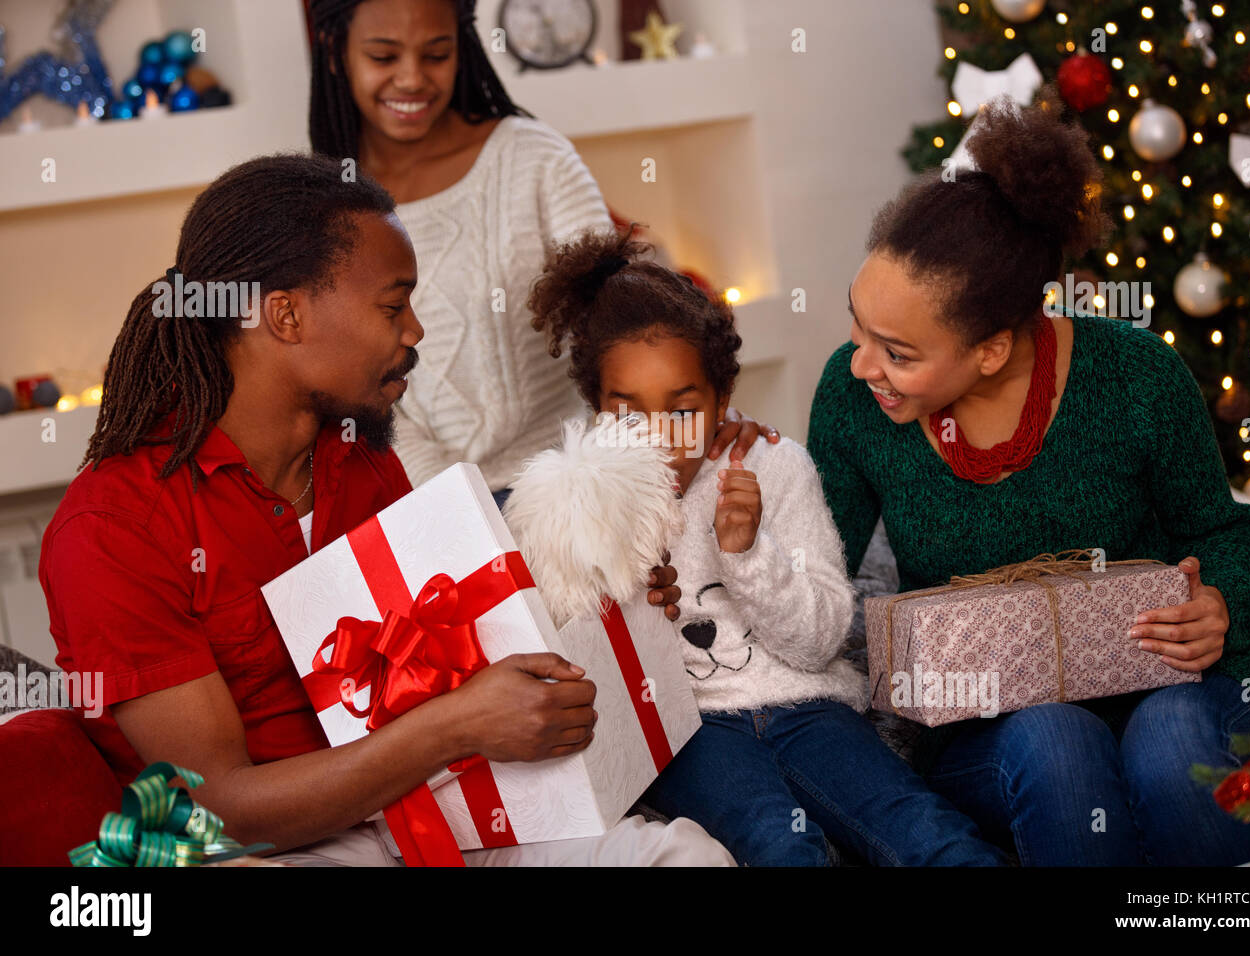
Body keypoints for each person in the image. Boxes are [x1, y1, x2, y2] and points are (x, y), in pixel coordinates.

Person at [38, 154, 733, 867]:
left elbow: (455, 648)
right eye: (393, 306)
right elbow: (221, 808)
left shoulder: (357, 454)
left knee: (682, 857)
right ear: (285, 314)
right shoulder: (113, 529)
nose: (416, 331)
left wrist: (610, 605)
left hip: (428, 800)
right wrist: (452, 728)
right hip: (268, 851)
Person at [806, 93, 1250, 866]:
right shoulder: (851, 398)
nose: (861, 364)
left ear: (990, 350)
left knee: (1171, 744)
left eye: (897, 351)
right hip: (991, 727)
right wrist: (749, 495)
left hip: (1172, 690)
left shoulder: (1138, 378)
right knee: (1057, 743)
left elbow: (1222, 536)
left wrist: (1221, 603)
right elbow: (811, 574)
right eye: (857, 324)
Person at [527, 226, 1007, 866]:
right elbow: (584, 666)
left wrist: (747, 553)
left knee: (928, 834)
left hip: (809, 709)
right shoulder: (571, 501)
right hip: (690, 733)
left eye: (682, 406)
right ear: (595, 407)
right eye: (629, 410)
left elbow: (821, 640)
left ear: (722, 399)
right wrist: (634, 595)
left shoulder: (776, 467)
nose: (660, 436)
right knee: (782, 845)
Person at [307, 0, 775, 509]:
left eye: (437, 54)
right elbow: (354, 380)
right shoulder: (325, 202)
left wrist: (697, 415)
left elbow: (623, 317)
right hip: (425, 498)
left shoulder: (535, 158)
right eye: (383, 56)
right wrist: (455, 505)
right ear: (335, 51)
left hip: (577, 480)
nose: (412, 78)